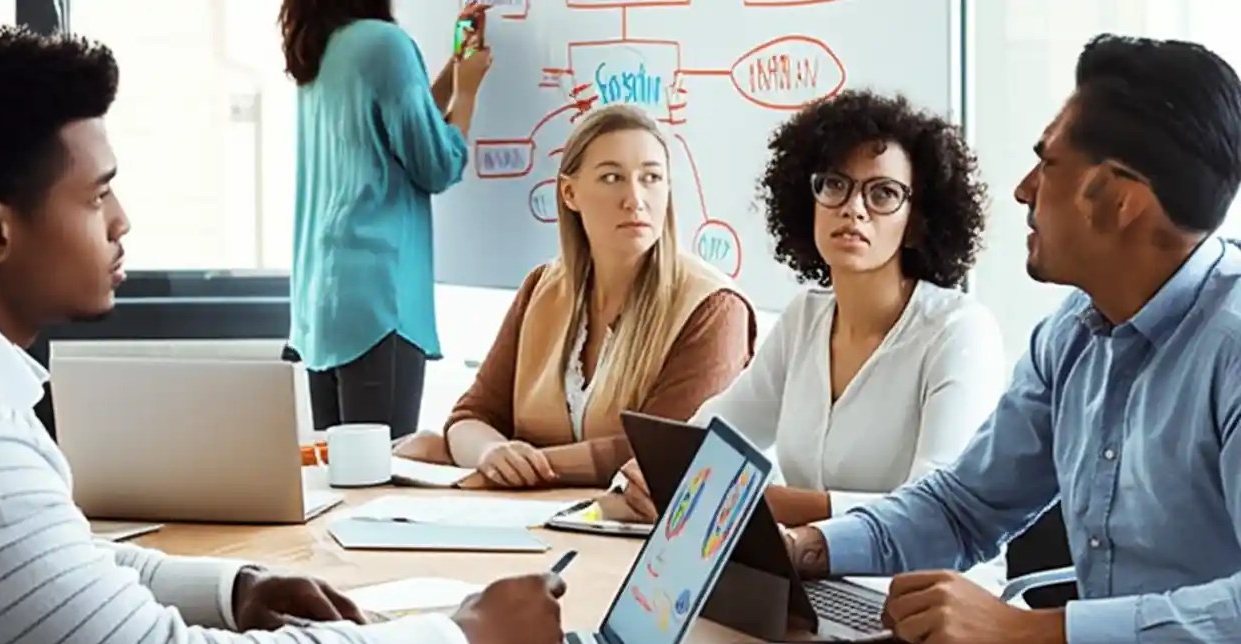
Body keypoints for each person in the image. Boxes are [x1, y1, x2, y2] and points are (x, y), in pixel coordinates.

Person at [0, 27, 564, 644]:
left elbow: (63, 571)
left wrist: (236, 588)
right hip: (384, 307)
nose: (122, 222)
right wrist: (467, 639)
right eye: (98, 197)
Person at [784, 34, 1241, 644]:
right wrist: (806, 549)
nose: (1024, 191)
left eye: (1048, 165)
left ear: (1117, 199)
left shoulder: (1232, 345)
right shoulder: (1072, 335)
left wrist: (1038, 633)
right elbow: (963, 507)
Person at [602, 90, 1003, 529]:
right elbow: (712, 435)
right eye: (834, 184)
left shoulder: (960, 331)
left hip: (921, 587)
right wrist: (653, 475)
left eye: (883, 193)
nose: (853, 209)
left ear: (917, 221)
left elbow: (930, 509)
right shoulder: (805, 319)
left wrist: (746, 503)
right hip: (810, 572)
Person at [397, 104, 756, 488]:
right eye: (611, 177)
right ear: (570, 193)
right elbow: (473, 415)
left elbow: (666, 451)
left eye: (651, 177)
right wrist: (488, 453)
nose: (634, 198)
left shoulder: (713, 306)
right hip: (530, 522)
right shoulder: (542, 288)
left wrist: (520, 464)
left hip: (634, 536)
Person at [281, 0, 492, 437]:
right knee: (383, 481)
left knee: (343, 483)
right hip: (379, 301)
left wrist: (456, 67)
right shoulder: (385, 44)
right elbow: (436, 163)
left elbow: (404, 129)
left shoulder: (319, 49)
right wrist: (468, 91)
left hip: (322, 303)